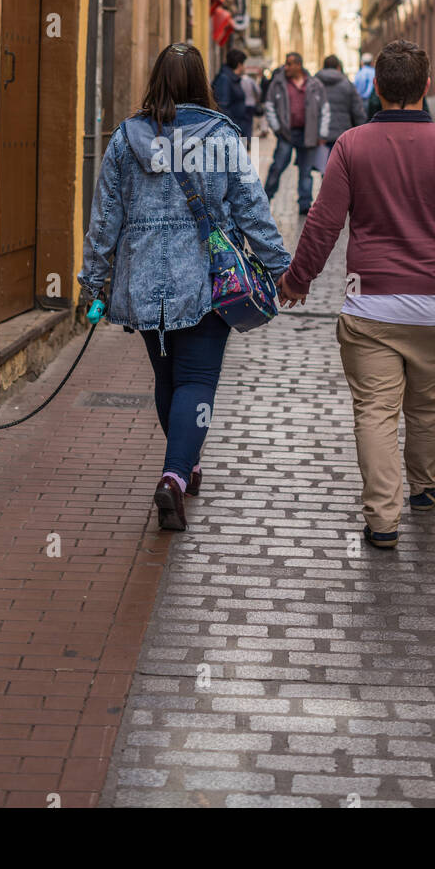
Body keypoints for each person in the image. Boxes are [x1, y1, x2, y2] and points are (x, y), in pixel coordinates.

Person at [278, 39, 435, 550]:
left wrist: (298, 279)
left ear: (376, 87)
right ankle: (425, 488)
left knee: (375, 412)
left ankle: (382, 520)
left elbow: (323, 223)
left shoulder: (352, 145)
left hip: (370, 304)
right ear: (426, 88)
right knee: (428, 407)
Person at [79, 43, 291, 532]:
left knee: (168, 379)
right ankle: (174, 476)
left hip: (142, 284)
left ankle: (185, 462)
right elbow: (252, 209)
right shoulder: (222, 138)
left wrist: (93, 282)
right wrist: (281, 268)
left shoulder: (124, 140)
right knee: (196, 382)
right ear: (201, 83)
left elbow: (105, 220)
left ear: (155, 81)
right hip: (205, 281)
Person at [263, 52, 329, 214]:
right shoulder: (278, 84)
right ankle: (265, 199)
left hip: (308, 134)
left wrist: (322, 133)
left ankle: (305, 204)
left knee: (306, 171)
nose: (286, 67)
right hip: (286, 133)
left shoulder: (314, 84)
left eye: (289, 64)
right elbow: (269, 105)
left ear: (298, 65)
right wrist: (277, 128)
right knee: (277, 166)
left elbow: (324, 109)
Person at [315, 55, 366, 162]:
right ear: (338, 67)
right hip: (342, 133)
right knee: (340, 166)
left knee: (324, 166)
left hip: (320, 134)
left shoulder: (314, 84)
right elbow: (357, 111)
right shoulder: (347, 84)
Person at [212, 47, 252, 140]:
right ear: (239, 65)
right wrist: (233, 129)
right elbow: (222, 107)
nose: (244, 67)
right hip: (230, 131)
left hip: (237, 127)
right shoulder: (225, 79)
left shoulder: (233, 79)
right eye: (244, 64)